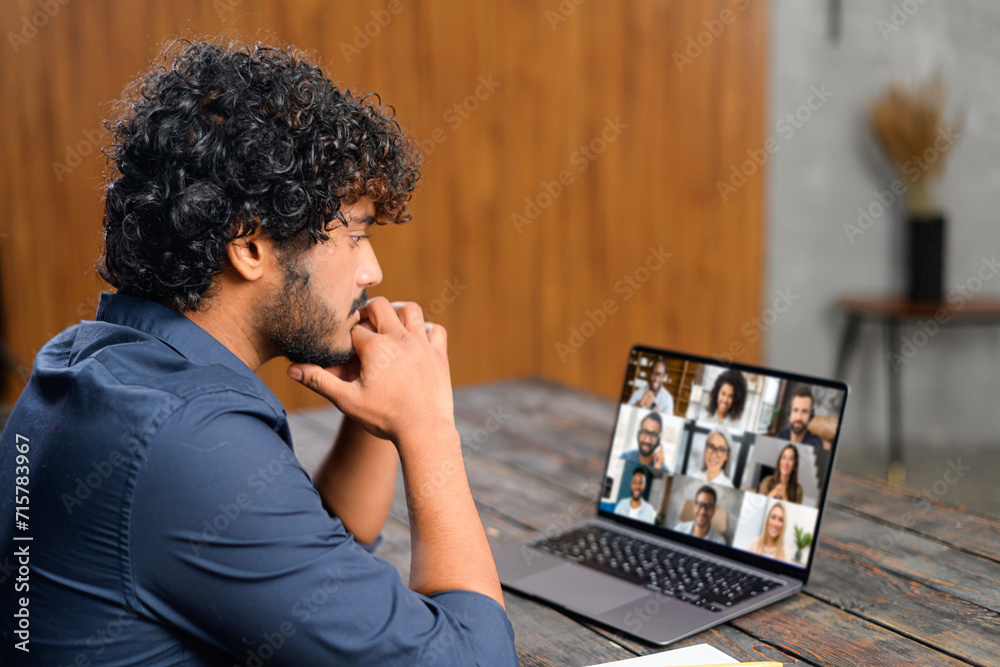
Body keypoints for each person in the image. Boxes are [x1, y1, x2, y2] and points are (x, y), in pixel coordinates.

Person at [0, 40, 516, 665]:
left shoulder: (88, 365)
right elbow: (473, 658)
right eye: (354, 234)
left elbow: (301, 564)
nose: (373, 271)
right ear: (248, 247)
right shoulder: (189, 440)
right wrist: (429, 427)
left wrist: (381, 420)